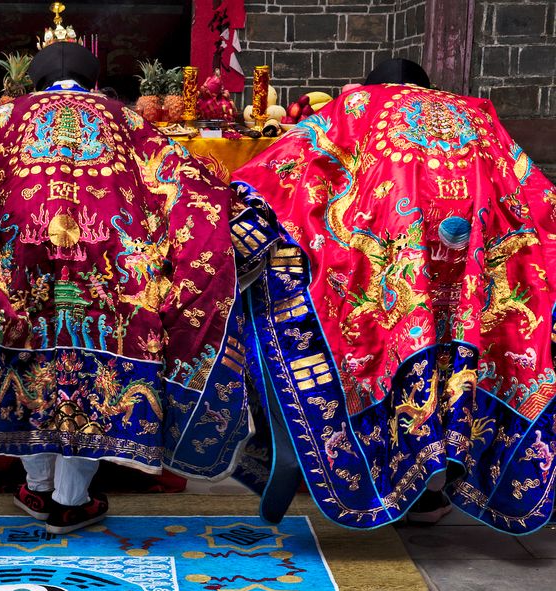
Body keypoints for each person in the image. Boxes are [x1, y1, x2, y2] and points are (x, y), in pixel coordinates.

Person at [0, 17, 278, 533]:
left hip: (23, 271)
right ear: (91, 82)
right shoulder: (128, 122)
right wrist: (244, 218)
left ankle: (38, 488)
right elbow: (185, 178)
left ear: (36, 83)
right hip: (110, 277)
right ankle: (74, 496)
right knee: (95, 373)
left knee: (27, 369)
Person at [232, 61, 556, 534]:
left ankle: (390, 481)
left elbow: (281, 170)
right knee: (457, 361)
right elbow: (536, 197)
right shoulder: (478, 115)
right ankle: (436, 488)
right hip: (470, 273)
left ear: (372, 84)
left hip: (390, 269)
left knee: (375, 345)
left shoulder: (358, 104)